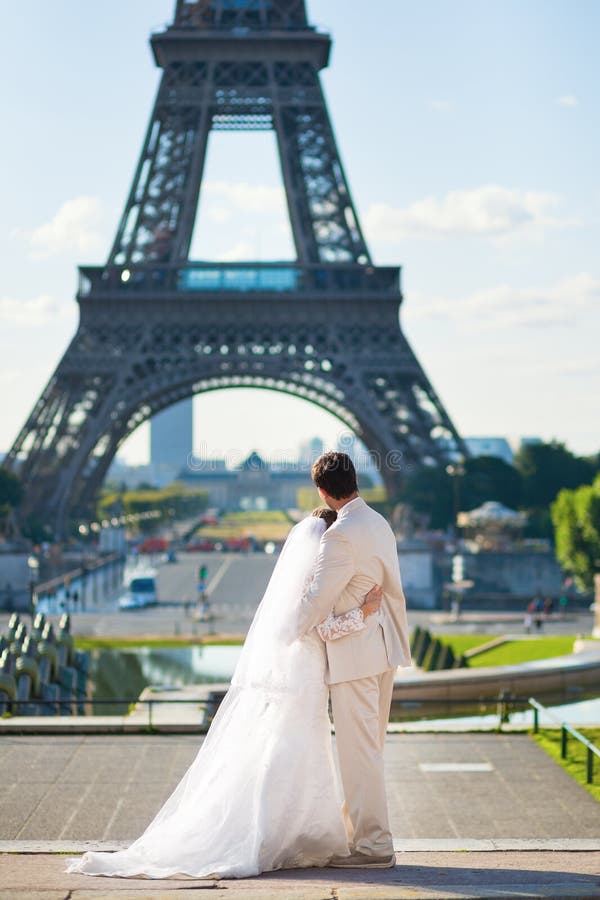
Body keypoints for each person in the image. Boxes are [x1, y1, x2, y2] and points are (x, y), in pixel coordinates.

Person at [66, 505, 382, 880]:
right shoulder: (321, 578)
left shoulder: (303, 578)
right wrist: (363, 613)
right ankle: (282, 832)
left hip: (296, 671)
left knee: (284, 747)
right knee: (297, 748)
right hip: (306, 672)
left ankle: (274, 829)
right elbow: (318, 628)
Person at [295, 451, 412, 868]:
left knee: (359, 756)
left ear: (323, 492)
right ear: (355, 481)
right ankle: (357, 835)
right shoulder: (378, 523)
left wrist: (281, 632)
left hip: (355, 658)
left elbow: (315, 601)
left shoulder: (340, 534)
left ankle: (375, 846)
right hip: (382, 651)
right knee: (369, 751)